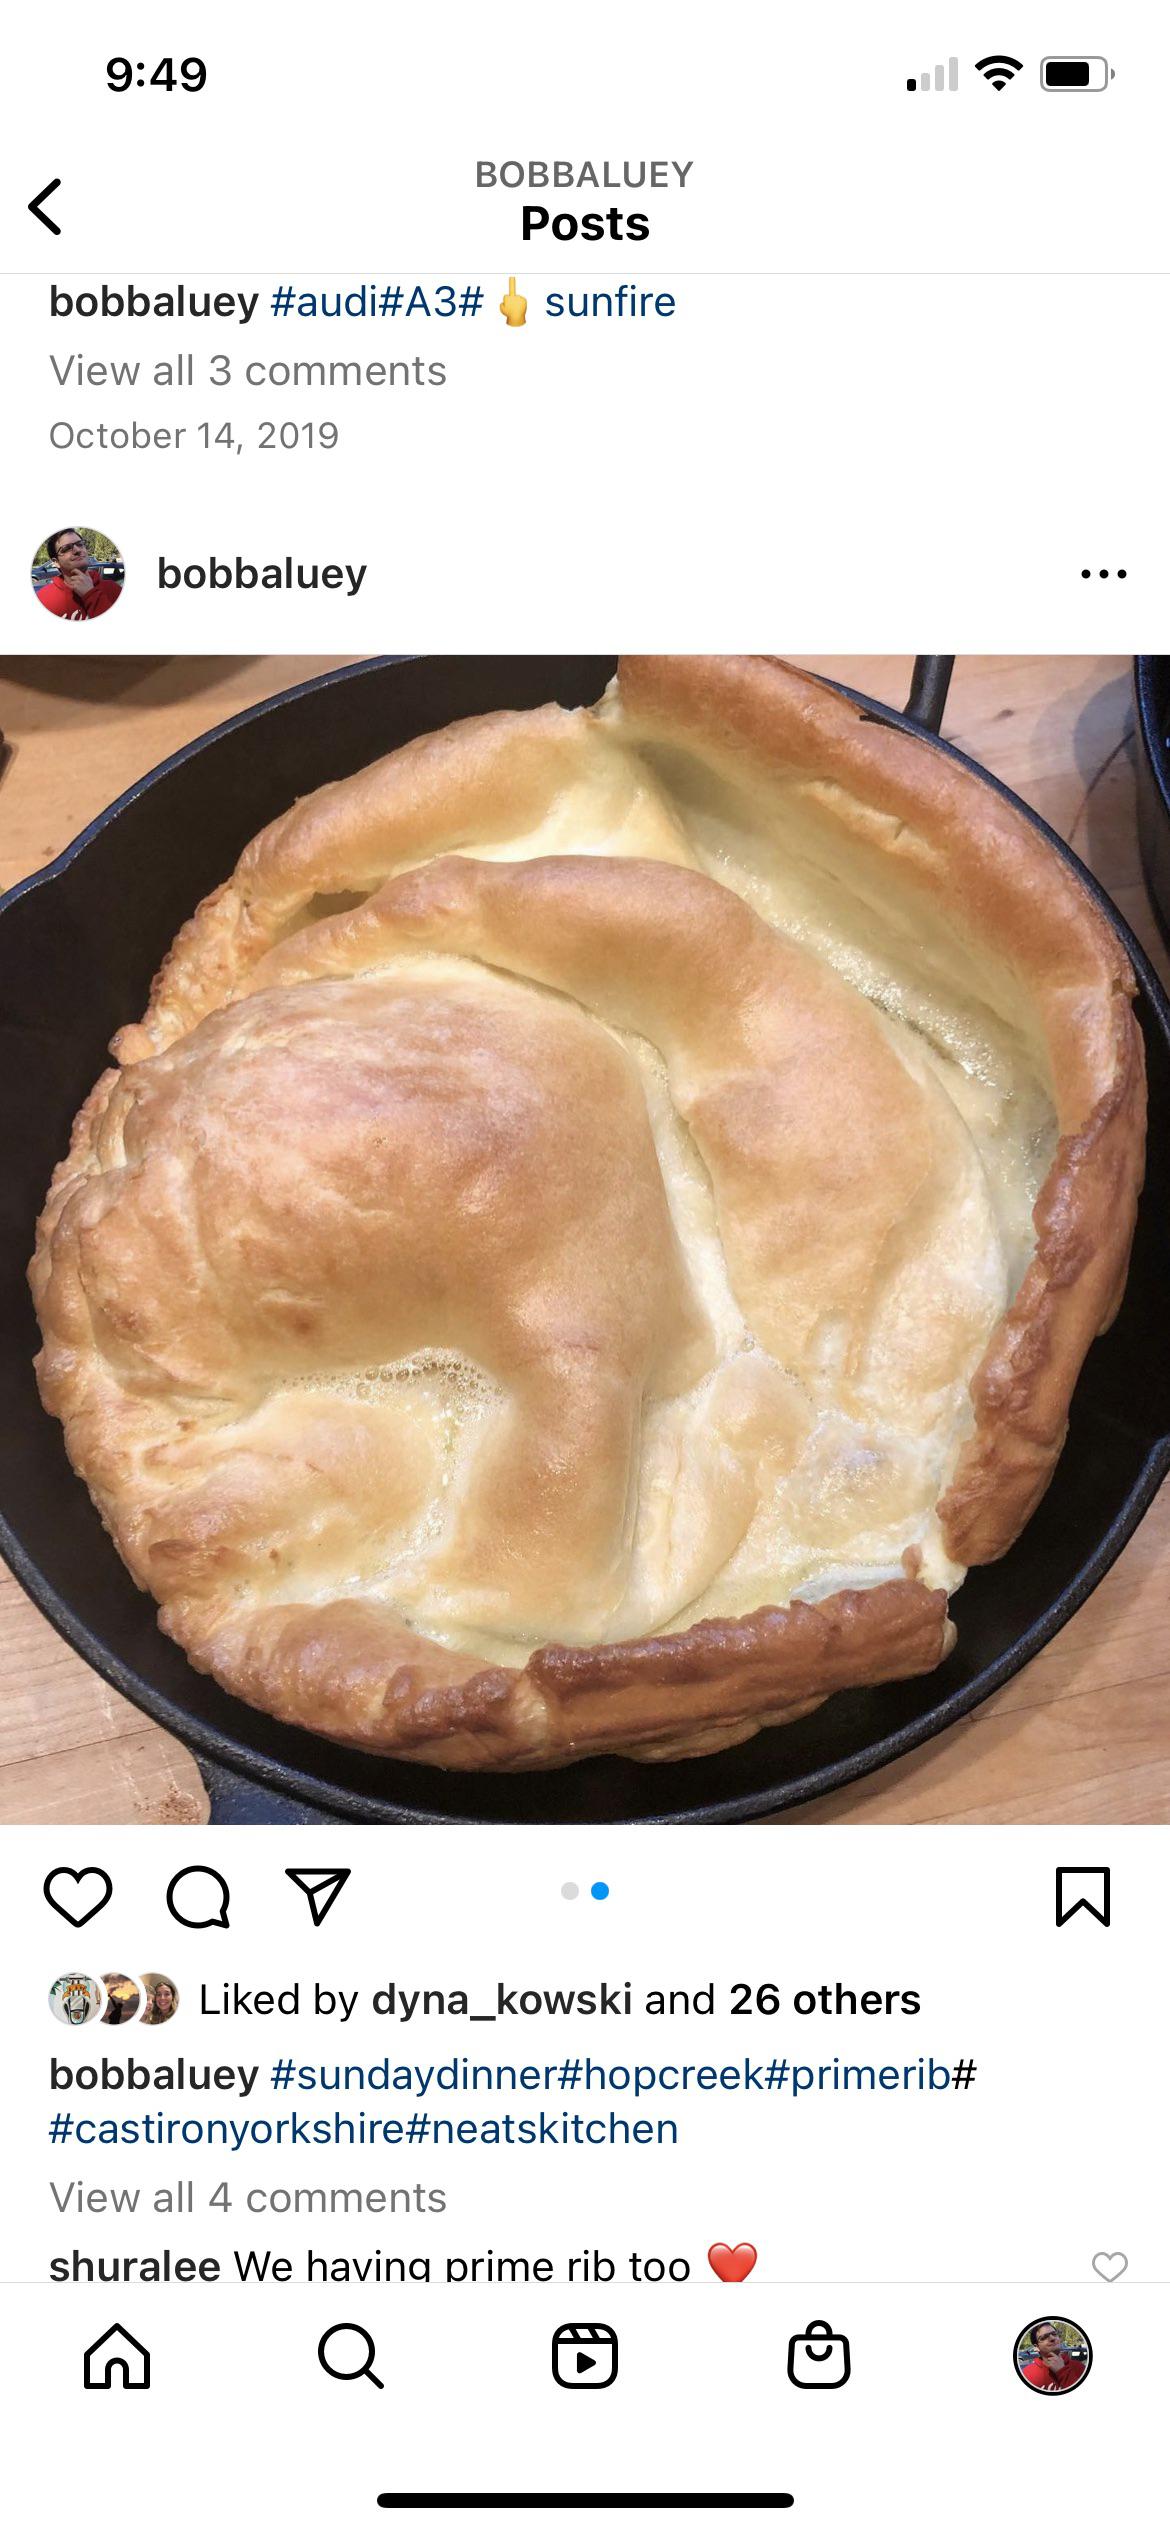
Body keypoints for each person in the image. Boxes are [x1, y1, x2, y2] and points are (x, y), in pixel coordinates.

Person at [35, 529, 123, 620]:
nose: (77, 550)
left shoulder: (113, 589)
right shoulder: (43, 599)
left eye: (80, 544)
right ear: (56, 562)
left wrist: (91, 595)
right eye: (66, 549)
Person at [1019, 2320, 1088, 2391]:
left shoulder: (1080, 2368)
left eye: (1054, 2334)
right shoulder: (1027, 2375)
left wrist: (1062, 2371)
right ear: (1036, 2347)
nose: (1052, 2338)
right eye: (1044, 2337)